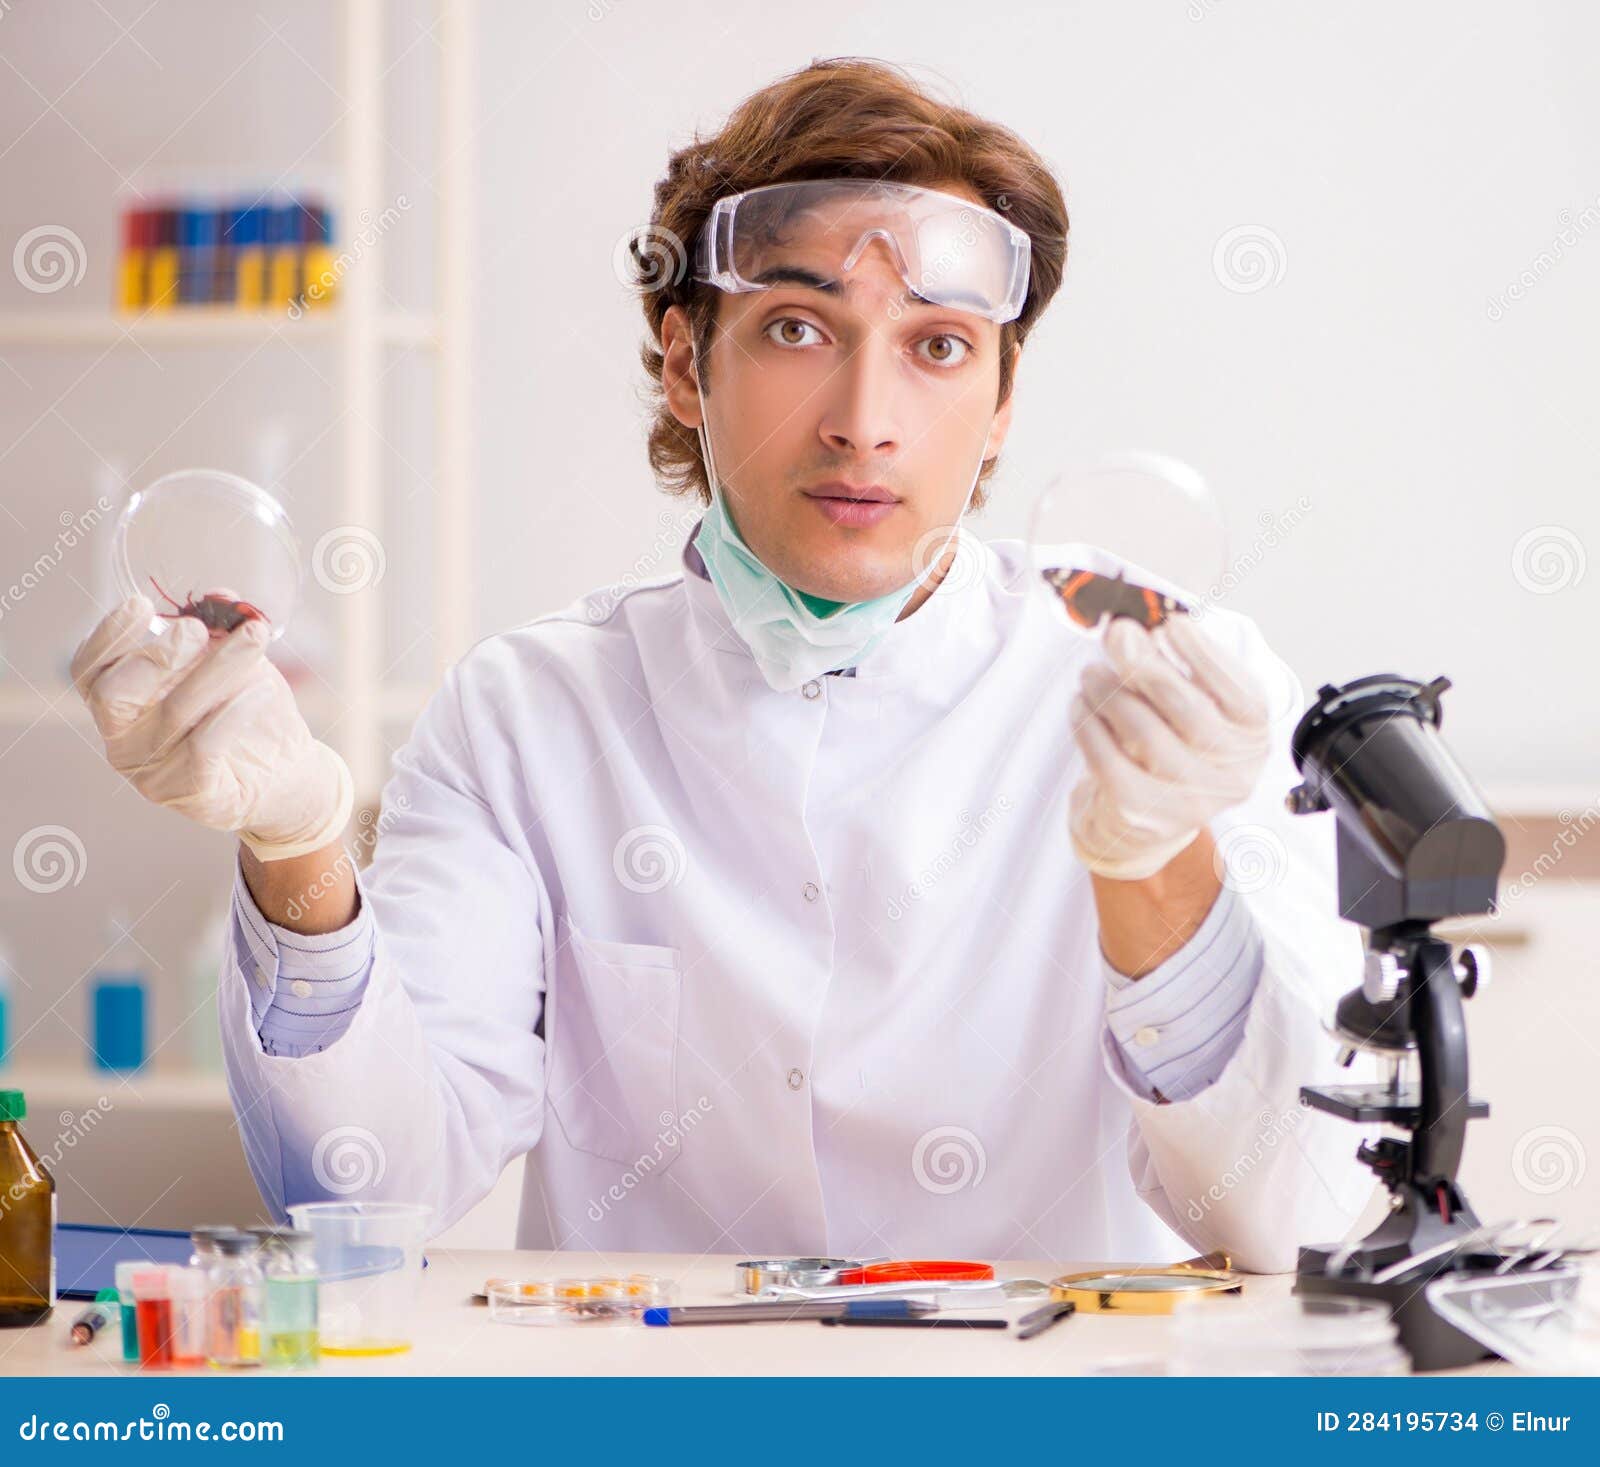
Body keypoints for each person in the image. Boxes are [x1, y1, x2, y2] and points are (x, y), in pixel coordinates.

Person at [71, 58, 1374, 1269]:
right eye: (800, 329)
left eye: (936, 347)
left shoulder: (1165, 685)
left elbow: (1288, 1219)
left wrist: (1159, 869)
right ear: (690, 366)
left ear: (1003, 401)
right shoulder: (529, 714)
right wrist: (299, 853)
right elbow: (368, 1194)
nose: (866, 424)